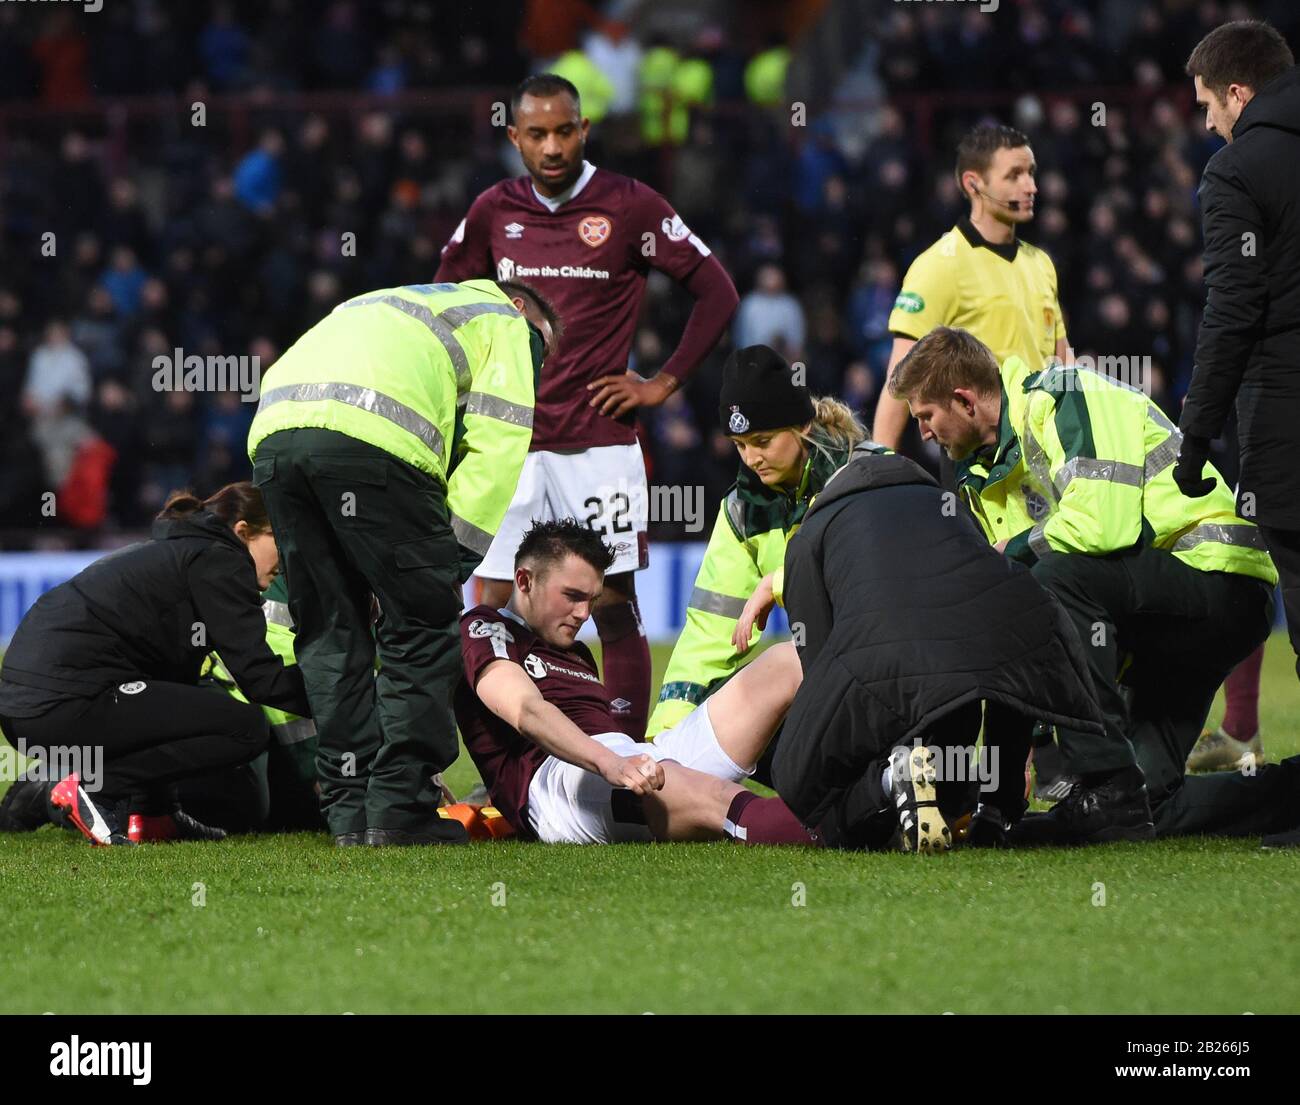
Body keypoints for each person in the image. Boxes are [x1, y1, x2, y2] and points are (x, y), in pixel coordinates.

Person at [889, 327, 1283, 845]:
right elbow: (1016, 614)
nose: (922, 434)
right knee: (1150, 805)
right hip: (1161, 610)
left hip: (1218, 575)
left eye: (925, 416)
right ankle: (1285, 791)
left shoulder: (1066, 397)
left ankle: (1104, 783)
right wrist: (999, 802)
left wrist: (1014, 551)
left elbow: (1103, 527)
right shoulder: (979, 475)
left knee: (1051, 576)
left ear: (963, 400)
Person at [436, 73, 739, 741]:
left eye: (564, 131)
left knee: (610, 602)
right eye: (536, 133)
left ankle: (623, 758)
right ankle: (503, 760)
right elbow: (442, 298)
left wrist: (662, 382)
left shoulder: (629, 206)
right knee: (489, 605)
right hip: (507, 442)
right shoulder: (494, 209)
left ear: (584, 131)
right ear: (513, 137)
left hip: (598, 445)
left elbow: (717, 290)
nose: (552, 146)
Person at [248, 278, 555, 847]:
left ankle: (347, 814)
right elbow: (497, 442)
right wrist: (450, 559)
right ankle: (398, 810)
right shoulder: (507, 322)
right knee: (419, 629)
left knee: (330, 632)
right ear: (522, 309)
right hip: (377, 436)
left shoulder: (395, 302)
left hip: (275, 431)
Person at [869, 123, 1074, 800]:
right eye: (1016, 173)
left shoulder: (1041, 265)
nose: (1031, 185)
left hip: (1044, 464)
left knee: (1050, 603)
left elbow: (1064, 365)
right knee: (985, 612)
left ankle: (1044, 759)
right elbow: (902, 379)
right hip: (976, 470)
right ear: (973, 183)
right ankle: (975, 767)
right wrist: (877, 471)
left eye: (1033, 172)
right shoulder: (940, 265)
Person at [772, 442, 1106, 853]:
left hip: (880, 661)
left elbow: (820, 659)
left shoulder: (812, 532)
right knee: (954, 787)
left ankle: (889, 781)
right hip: (1003, 641)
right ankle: (993, 813)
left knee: (817, 802)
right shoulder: (950, 505)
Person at [455, 519, 817, 846]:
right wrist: (610, 763)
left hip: (630, 758)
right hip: (560, 785)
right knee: (719, 799)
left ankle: (867, 769)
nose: (584, 614)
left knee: (788, 659)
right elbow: (526, 711)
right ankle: (851, 823)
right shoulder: (484, 628)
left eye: (591, 600)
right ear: (524, 581)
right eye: (572, 596)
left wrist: (623, 759)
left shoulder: (575, 652)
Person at [0, 483, 309, 846]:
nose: (286, 555)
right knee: (244, 728)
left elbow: (170, 694)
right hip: (62, 702)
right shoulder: (220, 559)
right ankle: (96, 788)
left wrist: (162, 803)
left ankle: (156, 814)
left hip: (36, 707)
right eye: (278, 537)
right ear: (243, 531)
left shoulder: (184, 552)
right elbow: (262, 680)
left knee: (191, 714)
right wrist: (341, 696)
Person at [1177, 21, 1300, 806]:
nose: (1209, 125)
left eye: (1208, 107)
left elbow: (1233, 313)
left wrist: (1195, 434)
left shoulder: (1237, 171)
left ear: (1239, 93)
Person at [646, 344, 871, 742]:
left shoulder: (865, 472)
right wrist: (666, 737)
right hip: (832, 679)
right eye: (739, 445)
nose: (751, 459)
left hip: (891, 665)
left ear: (802, 426)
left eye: (763, 441)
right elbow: (708, 629)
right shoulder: (741, 511)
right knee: (728, 714)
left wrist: (779, 582)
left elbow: (872, 581)